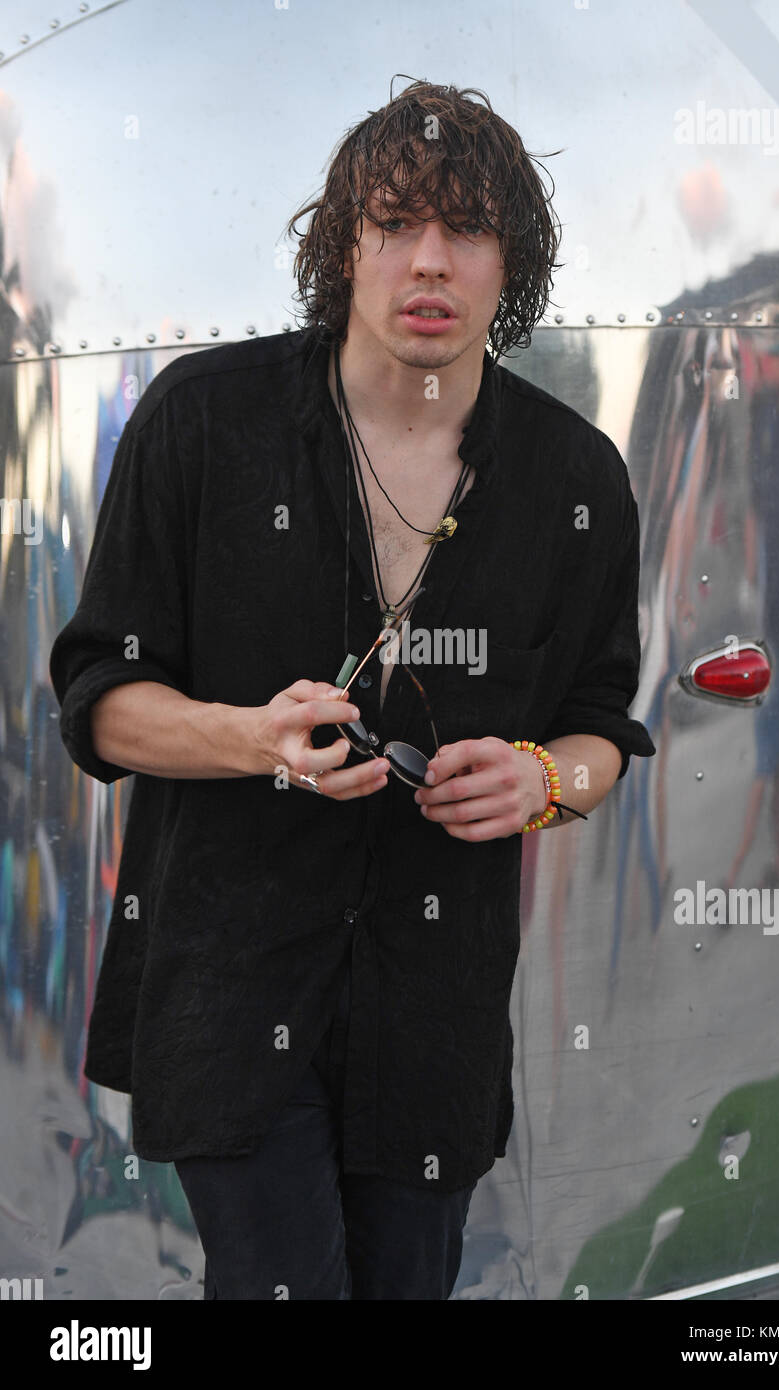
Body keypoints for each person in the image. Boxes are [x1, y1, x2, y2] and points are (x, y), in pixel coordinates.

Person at [49, 78, 655, 1300]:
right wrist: (250, 738)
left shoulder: (571, 476)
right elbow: (100, 699)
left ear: (511, 261)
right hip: (230, 985)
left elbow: (599, 725)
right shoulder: (203, 425)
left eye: (466, 228)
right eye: (391, 224)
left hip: (430, 1009)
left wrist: (540, 781)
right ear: (342, 246)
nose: (427, 260)